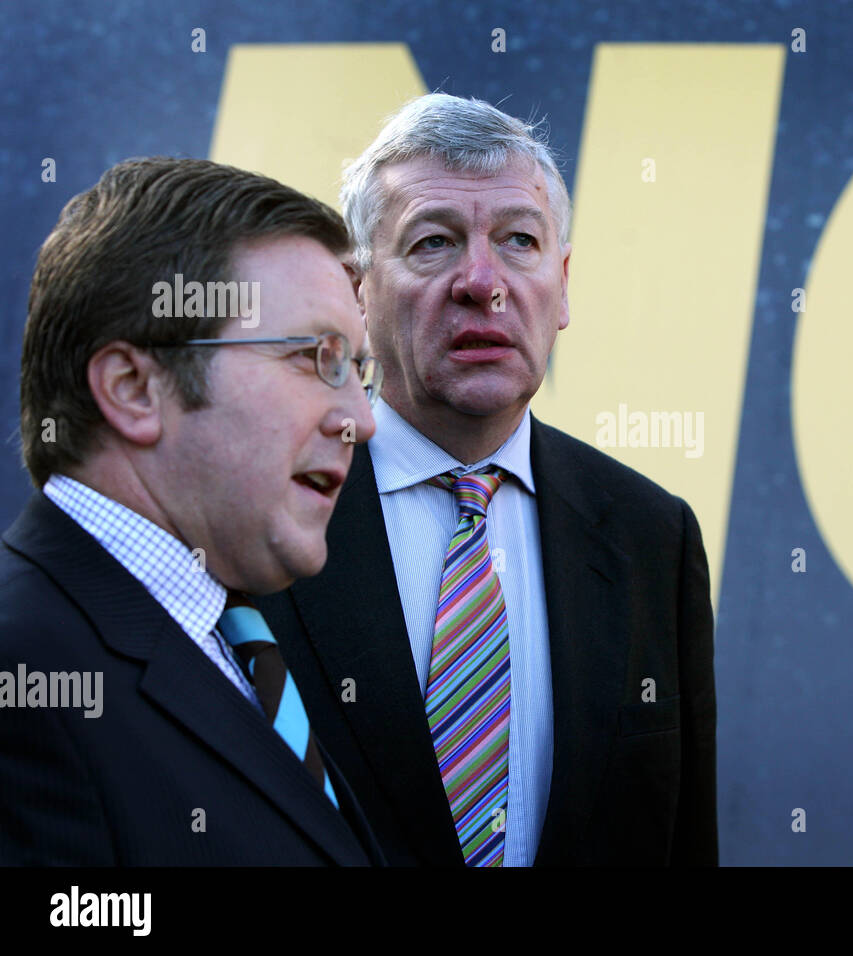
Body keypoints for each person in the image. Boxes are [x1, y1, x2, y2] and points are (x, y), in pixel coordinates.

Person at [256, 93, 717, 866]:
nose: (483, 282)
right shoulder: (262, 518)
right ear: (357, 292)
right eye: (433, 243)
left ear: (562, 284)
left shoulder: (651, 536)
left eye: (519, 241)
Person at [0, 157, 385, 864]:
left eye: (358, 373)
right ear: (133, 388)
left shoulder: (237, 642)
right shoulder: (23, 672)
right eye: (315, 358)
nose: (362, 419)